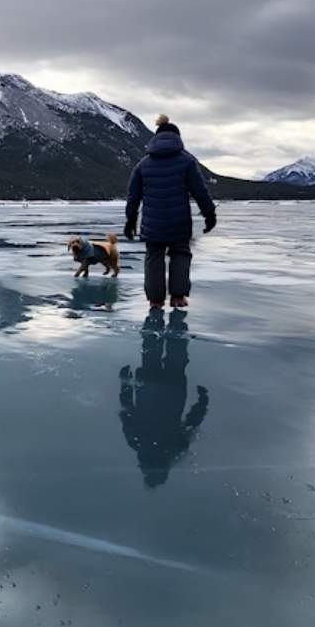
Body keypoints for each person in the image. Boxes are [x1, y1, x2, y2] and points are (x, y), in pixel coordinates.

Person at [124, 114, 216, 309]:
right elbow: (200, 191)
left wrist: (130, 220)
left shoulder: (143, 164)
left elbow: (133, 196)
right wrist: (209, 214)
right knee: (180, 254)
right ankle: (178, 297)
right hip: (179, 222)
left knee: (154, 257)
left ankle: (155, 301)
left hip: (153, 223)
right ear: (177, 138)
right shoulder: (187, 161)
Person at [118, 309, 209, 487]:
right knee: (152, 351)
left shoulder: (173, 449)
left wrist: (202, 402)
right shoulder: (139, 444)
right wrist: (126, 385)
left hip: (171, 390)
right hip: (153, 388)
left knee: (174, 353)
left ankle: (174, 320)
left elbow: (193, 422)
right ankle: (158, 319)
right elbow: (127, 411)